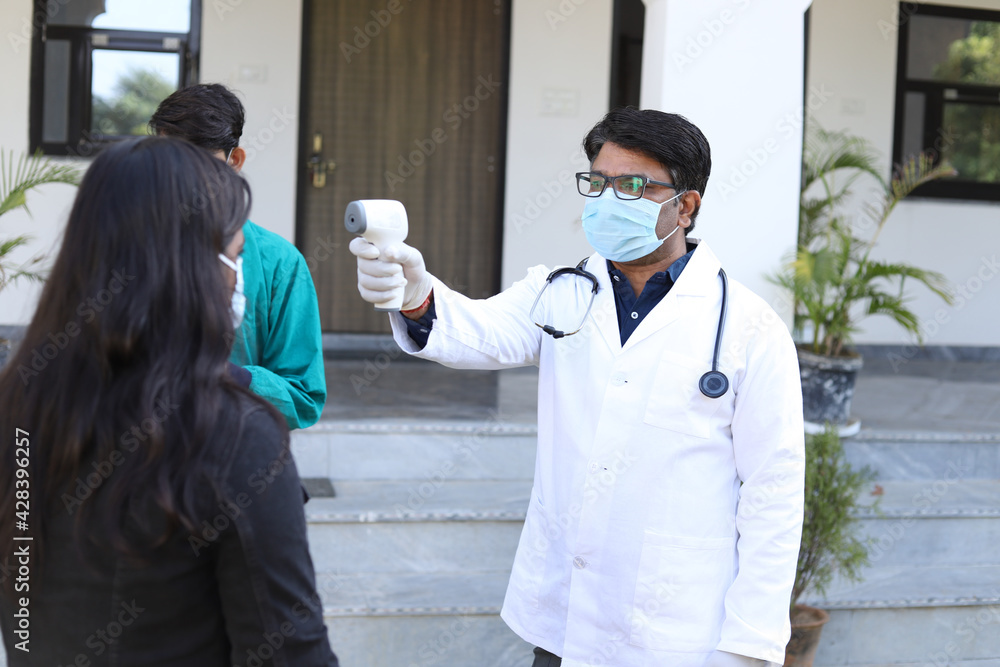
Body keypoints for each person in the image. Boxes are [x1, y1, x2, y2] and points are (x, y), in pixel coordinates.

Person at [349, 108, 805, 667]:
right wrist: (415, 293)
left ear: (685, 206)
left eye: (632, 186)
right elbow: (479, 332)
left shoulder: (749, 328)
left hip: (678, 632)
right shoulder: (561, 291)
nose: (607, 200)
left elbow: (773, 493)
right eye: (598, 183)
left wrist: (750, 646)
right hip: (563, 621)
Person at [0, 137, 338, 665]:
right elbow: (290, 651)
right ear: (191, 267)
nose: (237, 280)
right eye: (234, 256)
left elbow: (20, 612)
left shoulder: (21, 405)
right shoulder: (237, 436)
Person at [150, 83, 327, 430]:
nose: (180, 178)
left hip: (234, 455)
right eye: (168, 159)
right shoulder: (129, 244)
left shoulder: (279, 264)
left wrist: (227, 375)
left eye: (198, 162)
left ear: (235, 161)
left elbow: (302, 399)